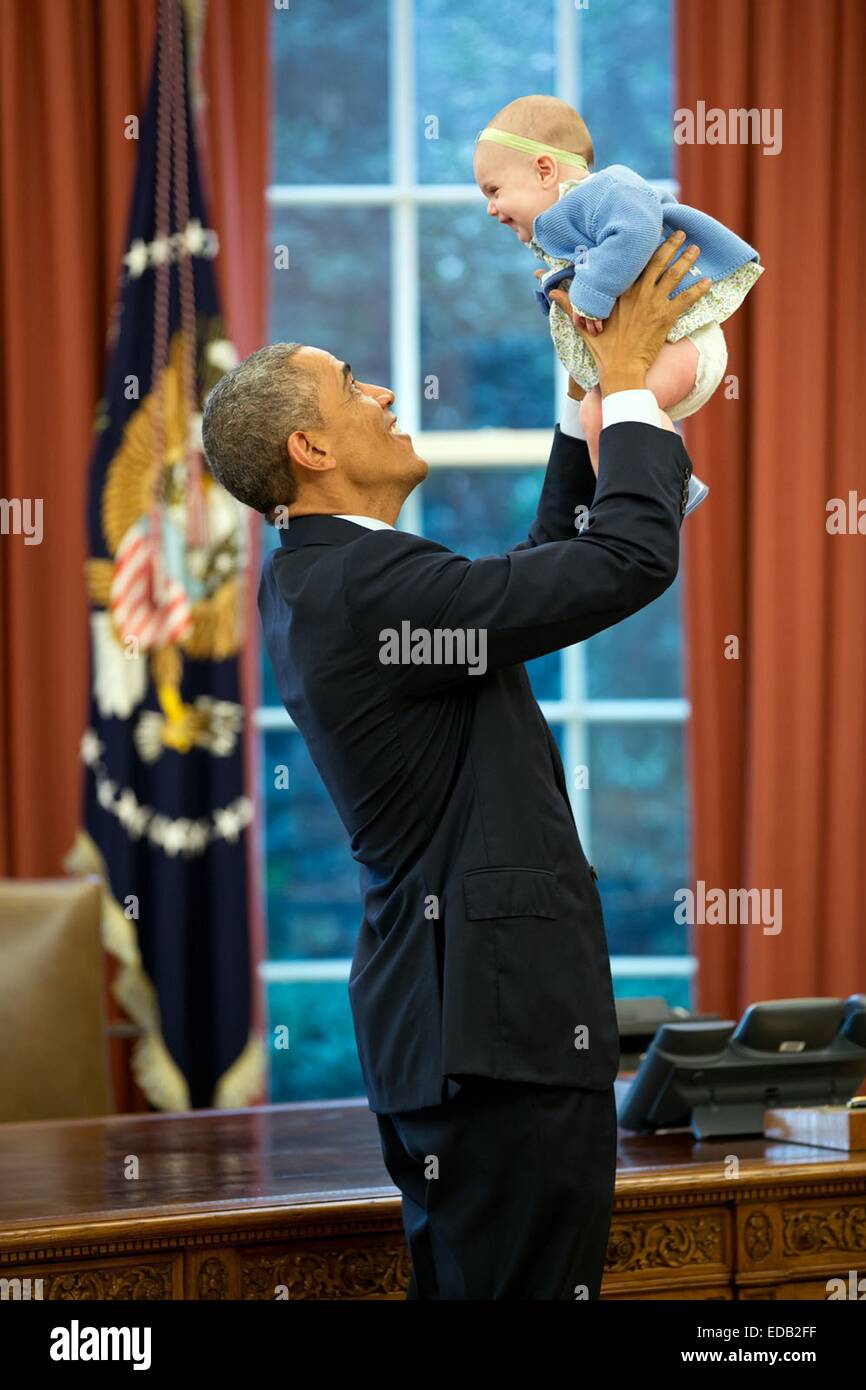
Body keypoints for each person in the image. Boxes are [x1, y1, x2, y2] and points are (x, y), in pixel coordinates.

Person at [200, 231, 710, 1300]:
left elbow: (534, 582)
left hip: (466, 1032)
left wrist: (584, 405)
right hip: (491, 1036)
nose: (383, 392)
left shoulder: (339, 576)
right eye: (350, 386)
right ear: (309, 446)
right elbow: (618, 564)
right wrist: (625, 391)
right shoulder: (361, 588)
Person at [474, 93, 762, 483]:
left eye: (494, 191)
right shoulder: (568, 225)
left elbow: (639, 227)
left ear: (544, 171)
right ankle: (638, 501)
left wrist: (589, 295)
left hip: (685, 343)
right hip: (656, 353)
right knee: (598, 414)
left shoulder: (606, 189)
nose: (491, 209)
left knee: (609, 412)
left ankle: (656, 492)